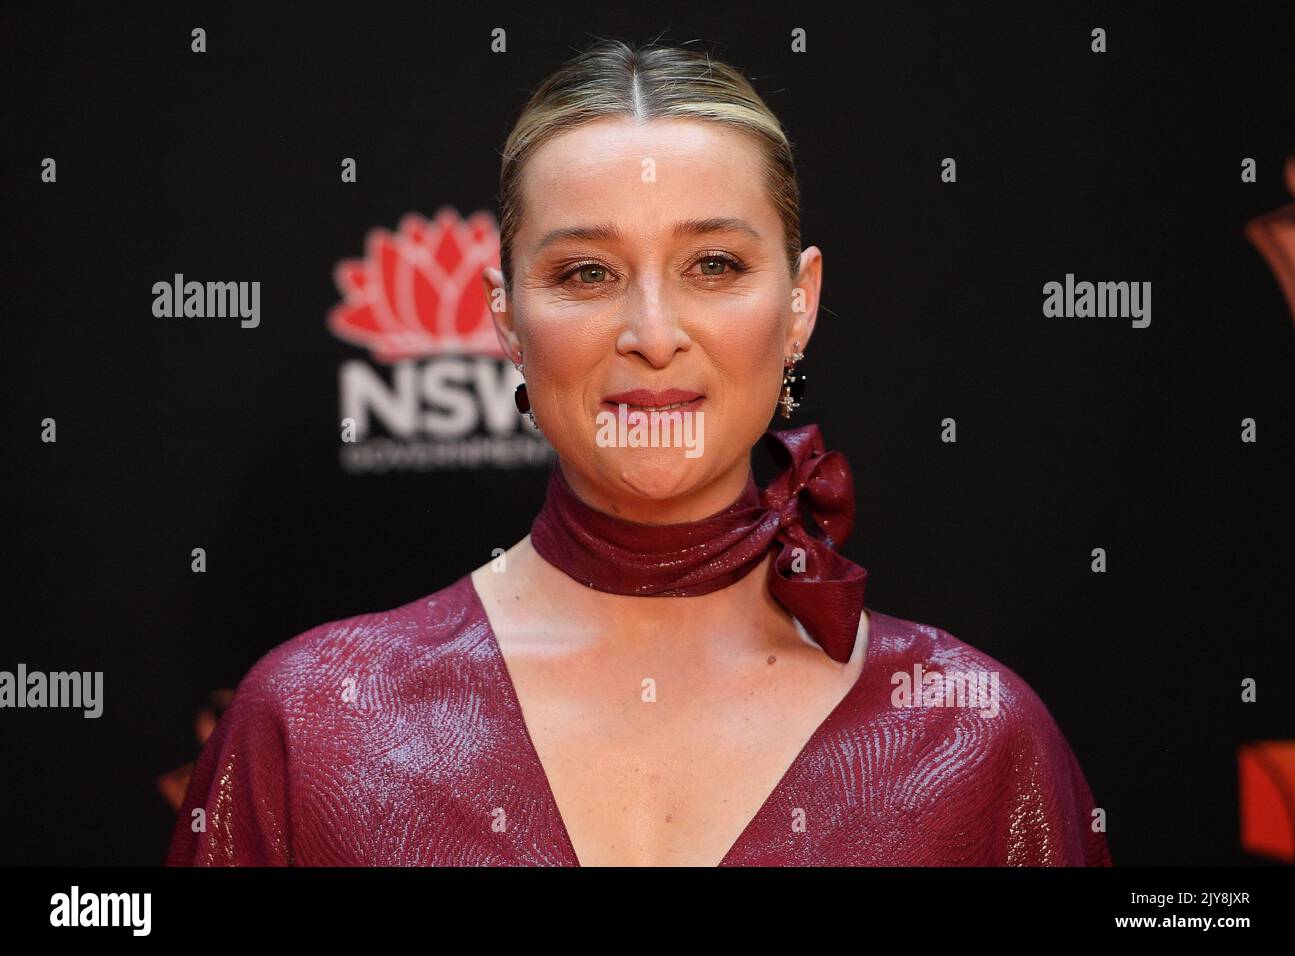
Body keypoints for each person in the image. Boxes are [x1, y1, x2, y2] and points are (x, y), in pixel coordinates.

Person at [166, 38, 1111, 867]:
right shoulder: (315, 727)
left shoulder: (971, 734)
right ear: (505, 319)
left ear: (801, 303)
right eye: (587, 272)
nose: (653, 334)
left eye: (714, 265)